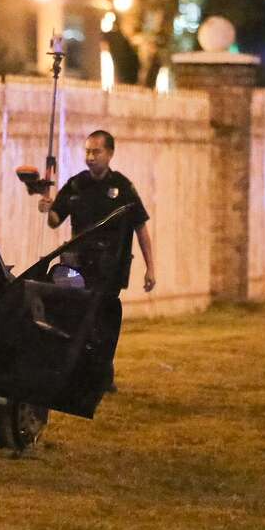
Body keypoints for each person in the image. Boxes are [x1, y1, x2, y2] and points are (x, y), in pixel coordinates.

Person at [38, 129, 155, 392]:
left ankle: (102, 377)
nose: (90, 157)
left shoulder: (123, 188)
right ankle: (79, 375)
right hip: (78, 266)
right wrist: (46, 204)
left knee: (102, 322)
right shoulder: (77, 185)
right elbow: (56, 221)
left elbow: (141, 228)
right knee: (76, 319)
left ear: (110, 154)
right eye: (87, 151)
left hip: (110, 269)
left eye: (96, 152)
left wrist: (150, 267)